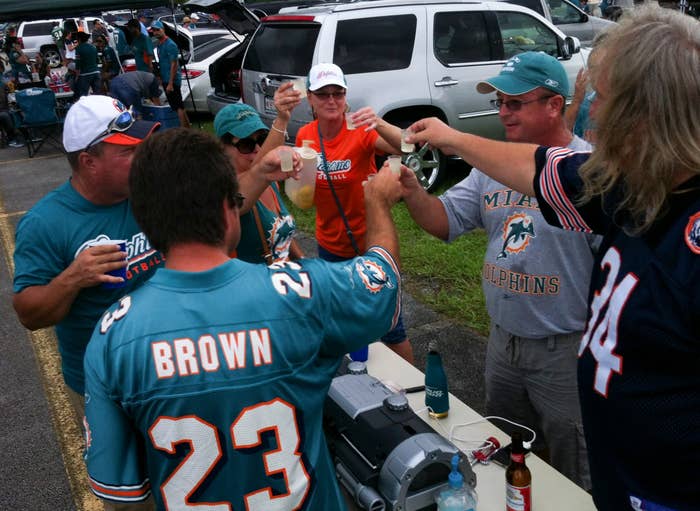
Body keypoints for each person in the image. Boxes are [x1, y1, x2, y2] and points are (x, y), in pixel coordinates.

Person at [405, 6, 700, 511]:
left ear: (645, 112)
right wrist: (449, 141)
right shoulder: (630, 187)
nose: (595, 114)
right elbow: (541, 170)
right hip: (617, 471)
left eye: (603, 99)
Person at [82, 127, 403, 510]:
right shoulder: (301, 293)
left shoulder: (113, 335)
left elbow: (123, 490)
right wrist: (378, 203)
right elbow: (382, 282)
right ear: (226, 209)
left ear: (145, 219)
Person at [400, 51, 596, 490]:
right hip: (502, 341)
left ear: (554, 104)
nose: (503, 111)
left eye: (515, 102)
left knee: (575, 465)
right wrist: (413, 191)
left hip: (563, 349)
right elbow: (444, 221)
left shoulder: (592, 170)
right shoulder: (494, 167)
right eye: (499, 102)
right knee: (509, 453)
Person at [12, 95, 164, 423]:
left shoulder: (150, 192)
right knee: (120, 474)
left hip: (167, 367)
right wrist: (74, 277)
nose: (142, 158)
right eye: (128, 151)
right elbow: (29, 313)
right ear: (89, 161)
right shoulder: (45, 223)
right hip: (103, 387)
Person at [296, 62, 414, 363]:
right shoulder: (305, 136)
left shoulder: (359, 130)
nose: (332, 101)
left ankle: (413, 391)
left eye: (338, 93)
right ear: (310, 99)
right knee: (342, 321)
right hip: (329, 246)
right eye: (323, 94)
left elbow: (406, 147)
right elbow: (303, 191)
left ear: (346, 97)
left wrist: (379, 122)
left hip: (368, 244)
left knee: (391, 328)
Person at [214, 89, 305, 264]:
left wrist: (304, 262)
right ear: (222, 149)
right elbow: (240, 198)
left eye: (261, 139)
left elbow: (282, 233)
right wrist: (281, 120)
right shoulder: (224, 193)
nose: (257, 149)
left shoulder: (269, 183)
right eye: (246, 144)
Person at [150, 20, 190, 129]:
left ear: (163, 30)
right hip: (165, 78)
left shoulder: (170, 44)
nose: (155, 32)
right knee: (178, 105)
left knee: (177, 106)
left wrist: (171, 83)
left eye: (158, 30)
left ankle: (183, 131)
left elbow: (174, 64)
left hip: (171, 79)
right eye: (154, 30)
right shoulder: (159, 44)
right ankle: (187, 128)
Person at [73, 30, 101, 98]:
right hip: (96, 73)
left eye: (76, 39)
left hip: (85, 74)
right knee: (97, 95)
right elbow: (97, 60)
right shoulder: (93, 47)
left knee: (83, 96)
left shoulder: (78, 49)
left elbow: (78, 64)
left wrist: (77, 76)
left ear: (79, 39)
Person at [0, 78, 24, 148]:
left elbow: (10, 94)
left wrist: (10, 89)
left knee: (17, 112)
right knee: (6, 116)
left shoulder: (3, 84)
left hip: (5, 108)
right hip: (2, 111)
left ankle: (25, 135)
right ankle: (12, 139)